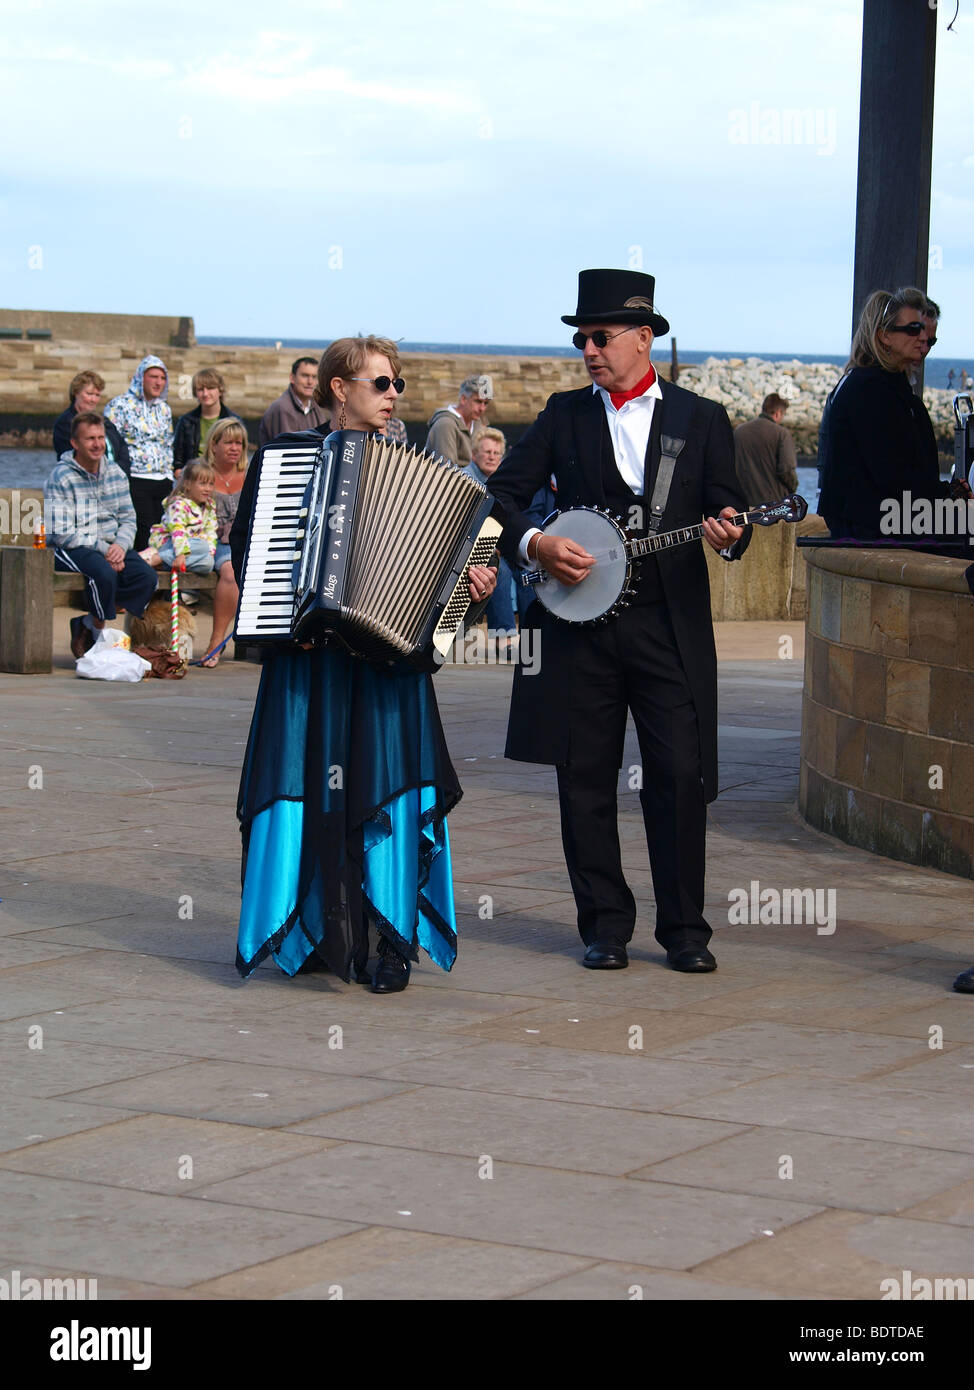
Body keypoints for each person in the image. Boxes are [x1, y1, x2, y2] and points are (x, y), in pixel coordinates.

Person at [487, 268, 749, 975]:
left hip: (668, 626)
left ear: (643, 338)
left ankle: (686, 932)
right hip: (579, 629)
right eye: (580, 339)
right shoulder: (563, 414)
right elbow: (498, 497)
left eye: (599, 337)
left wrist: (732, 532)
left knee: (679, 775)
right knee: (584, 777)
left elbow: (730, 510)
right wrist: (535, 543)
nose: (588, 351)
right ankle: (604, 926)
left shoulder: (701, 421)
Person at [230, 335, 496, 993]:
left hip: (386, 666)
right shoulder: (284, 462)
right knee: (313, 791)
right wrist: (275, 590)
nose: (393, 395)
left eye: (397, 384)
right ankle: (315, 931)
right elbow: (247, 547)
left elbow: (447, 581)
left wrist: (470, 588)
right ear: (338, 387)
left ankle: (389, 943)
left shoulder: (417, 470)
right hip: (309, 661)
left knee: (387, 794)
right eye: (381, 383)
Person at [817, 289, 959, 542]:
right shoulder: (870, 390)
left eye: (929, 337)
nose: (924, 339)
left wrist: (949, 494)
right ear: (884, 336)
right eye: (914, 329)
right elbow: (893, 476)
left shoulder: (885, 388)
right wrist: (947, 500)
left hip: (886, 519)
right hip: (873, 526)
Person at [45, 412, 157, 658]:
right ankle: (98, 640)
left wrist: (120, 545)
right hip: (69, 546)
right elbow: (63, 533)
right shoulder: (61, 476)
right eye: (90, 439)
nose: (97, 444)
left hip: (110, 545)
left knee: (146, 577)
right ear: (75, 443)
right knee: (103, 574)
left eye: (100, 438)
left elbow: (128, 518)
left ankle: (87, 623)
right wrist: (105, 549)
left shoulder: (115, 472)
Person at [104, 355, 174, 551]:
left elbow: (168, 443)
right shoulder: (119, 405)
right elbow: (111, 445)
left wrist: (170, 472)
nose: (158, 382)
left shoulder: (164, 409)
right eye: (153, 376)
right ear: (140, 378)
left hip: (163, 480)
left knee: (161, 533)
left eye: (162, 378)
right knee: (142, 532)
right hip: (135, 479)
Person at [199, 417, 249, 667]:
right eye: (228, 442)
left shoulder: (251, 472)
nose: (234, 448)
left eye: (239, 443)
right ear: (214, 445)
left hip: (243, 540)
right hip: (210, 540)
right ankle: (216, 641)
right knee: (230, 570)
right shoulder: (199, 472)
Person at [464, 428, 517, 641]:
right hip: (471, 547)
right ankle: (504, 638)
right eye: (486, 452)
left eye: (496, 453)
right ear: (474, 454)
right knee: (499, 570)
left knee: (529, 568)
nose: (492, 457)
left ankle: (540, 638)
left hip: (501, 545)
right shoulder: (465, 479)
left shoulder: (505, 482)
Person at [142, 461, 217, 576]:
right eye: (202, 484)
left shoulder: (209, 507)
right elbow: (178, 531)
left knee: (208, 564)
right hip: (170, 543)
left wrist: (210, 552)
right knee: (202, 545)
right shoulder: (178, 504)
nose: (207, 489)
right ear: (187, 484)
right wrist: (181, 553)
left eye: (211, 484)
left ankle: (162, 562)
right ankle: (160, 556)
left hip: (192, 550)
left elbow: (210, 531)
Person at [52, 371, 131, 475]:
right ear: (76, 393)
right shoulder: (65, 423)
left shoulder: (104, 422)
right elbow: (74, 456)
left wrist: (116, 473)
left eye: (97, 395)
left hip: (113, 480)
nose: (93, 400)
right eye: (89, 394)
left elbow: (122, 449)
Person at [733, 392, 799, 504]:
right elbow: (786, 470)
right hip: (772, 507)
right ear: (778, 413)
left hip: (742, 503)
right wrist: (793, 489)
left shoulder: (739, 431)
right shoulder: (781, 434)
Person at [172, 368, 241, 471]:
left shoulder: (233, 421)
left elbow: (240, 457)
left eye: (210, 388)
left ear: (220, 390)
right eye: (200, 389)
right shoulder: (186, 421)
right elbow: (178, 461)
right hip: (194, 476)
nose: (205, 394)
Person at [424, 373, 493, 469]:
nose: (482, 408)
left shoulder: (479, 424)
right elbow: (446, 470)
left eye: (486, 403)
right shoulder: (445, 425)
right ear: (463, 399)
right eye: (478, 401)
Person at [258, 356, 329, 445]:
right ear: (292, 378)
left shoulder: (318, 407)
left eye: (314, 377)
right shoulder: (282, 408)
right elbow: (284, 448)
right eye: (305, 376)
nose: (310, 382)